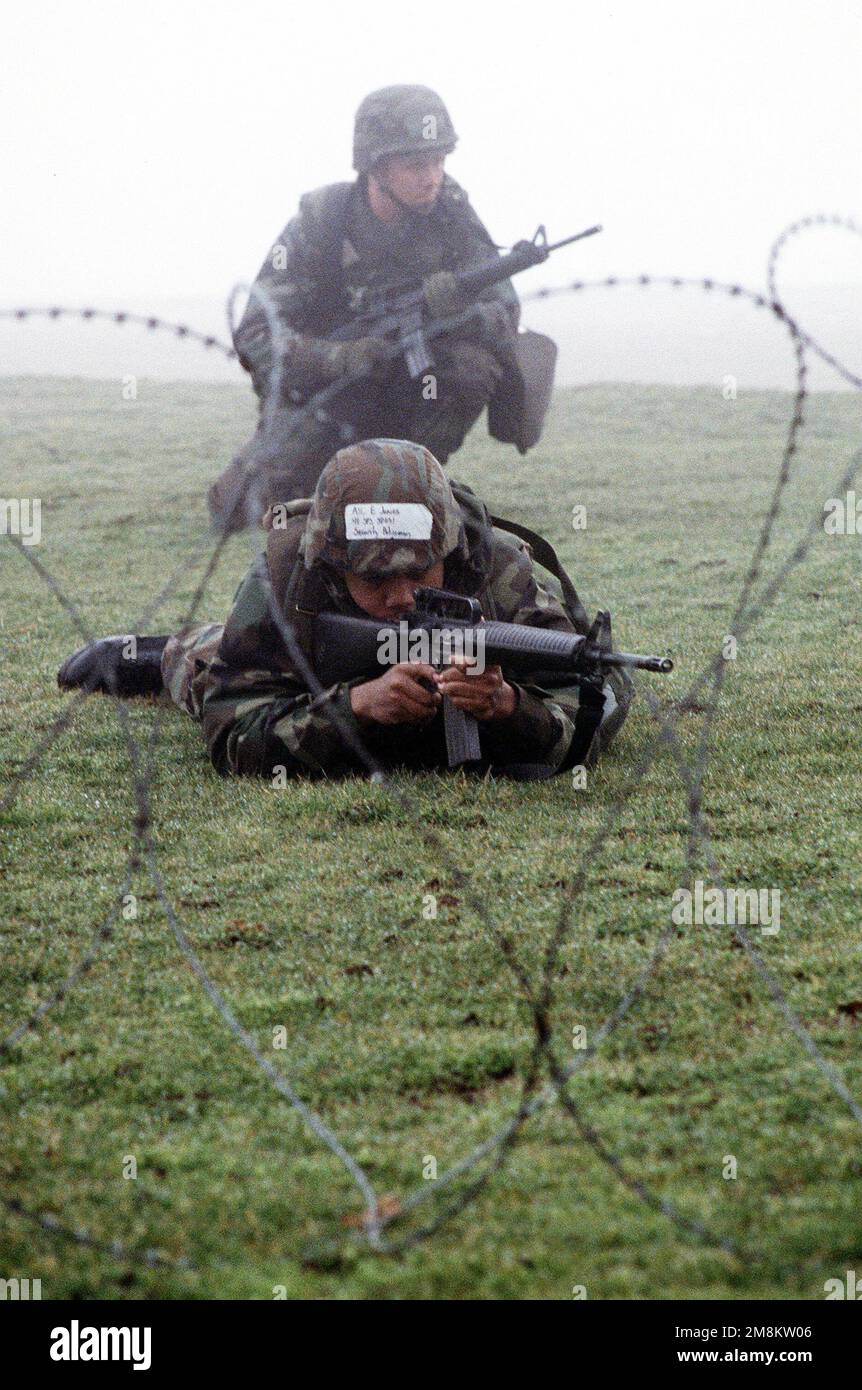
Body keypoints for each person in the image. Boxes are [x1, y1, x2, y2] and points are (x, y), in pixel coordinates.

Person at [58, 439, 630, 780]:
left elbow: (590, 706)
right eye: (376, 578)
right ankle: (168, 649)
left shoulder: (498, 570)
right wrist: (355, 706)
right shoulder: (287, 575)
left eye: (419, 573)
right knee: (206, 664)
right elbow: (234, 733)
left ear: (448, 553)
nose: (401, 596)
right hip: (308, 668)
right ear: (333, 565)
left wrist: (508, 707)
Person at [207, 83, 533, 532]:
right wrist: (339, 358)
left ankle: (408, 479)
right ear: (375, 168)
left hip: (407, 390)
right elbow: (255, 335)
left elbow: (505, 312)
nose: (432, 177)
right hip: (325, 397)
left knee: (470, 368)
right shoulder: (321, 223)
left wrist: (461, 313)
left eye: (439, 161)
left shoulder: (453, 216)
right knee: (243, 509)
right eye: (416, 165)